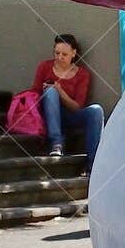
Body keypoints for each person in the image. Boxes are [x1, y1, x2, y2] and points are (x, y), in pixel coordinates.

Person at [32, 33, 103, 167]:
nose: (59, 57)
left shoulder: (83, 74)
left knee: (96, 110)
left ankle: (92, 164)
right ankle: (56, 143)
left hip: (69, 115)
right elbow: (33, 94)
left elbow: (77, 106)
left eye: (64, 54)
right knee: (50, 91)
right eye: (57, 53)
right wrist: (46, 92)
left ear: (73, 53)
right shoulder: (44, 67)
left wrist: (60, 91)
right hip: (47, 115)